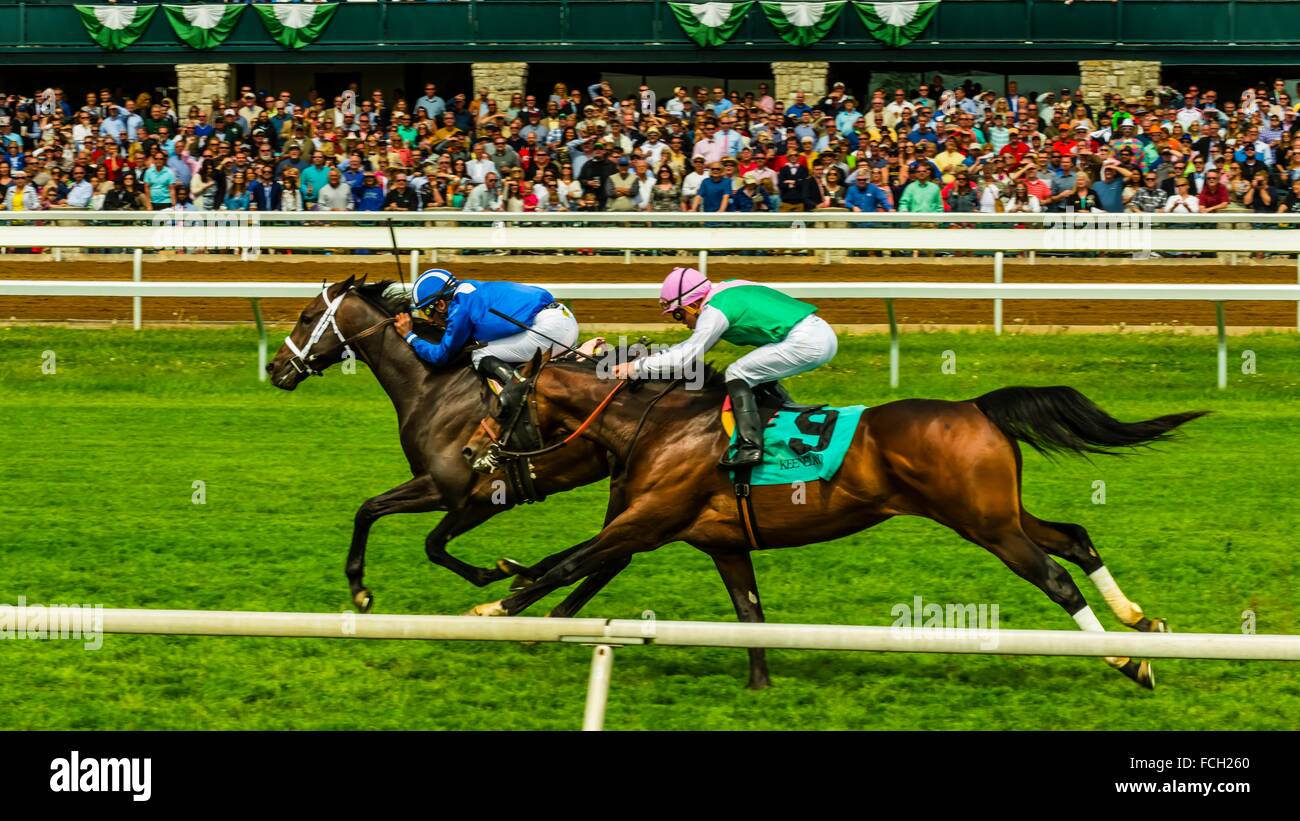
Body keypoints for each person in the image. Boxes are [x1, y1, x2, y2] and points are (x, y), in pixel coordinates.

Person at [611, 268, 838, 469]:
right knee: (753, 373)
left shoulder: (714, 311)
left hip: (807, 341)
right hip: (817, 333)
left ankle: (750, 447)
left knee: (738, 373)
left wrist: (635, 367)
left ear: (692, 304)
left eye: (678, 314)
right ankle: (785, 423)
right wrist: (649, 360)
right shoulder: (726, 289)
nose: (681, 321)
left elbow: (683, 358)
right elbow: (688, 348)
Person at [394, 269, 580, 390]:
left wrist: (409, 336)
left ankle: (517, 393)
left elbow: (441, 356)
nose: (429, 320)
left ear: (441, 304)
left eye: (427, 313)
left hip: (550, 331)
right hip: (564, 317)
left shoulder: (460, 310)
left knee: (480, 354)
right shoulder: (468, 288)